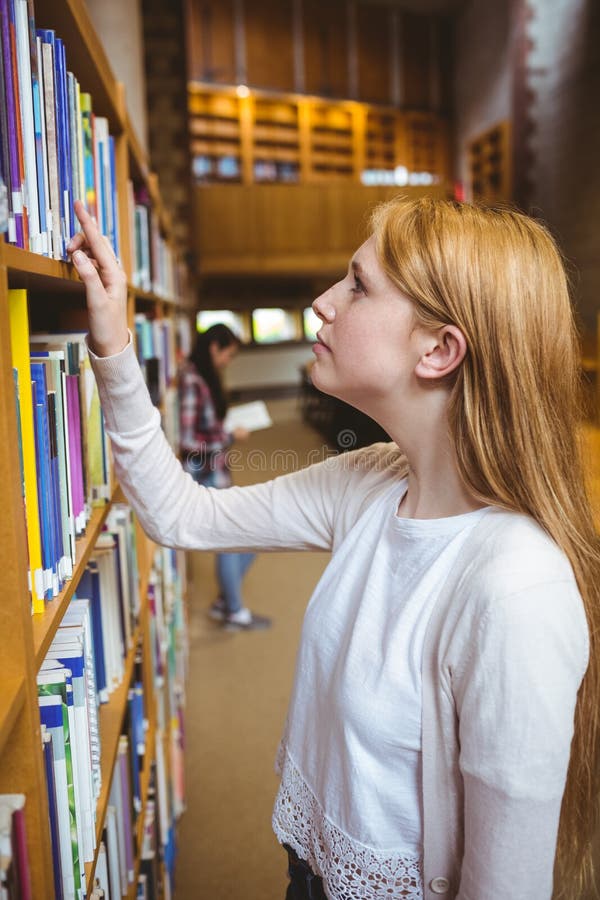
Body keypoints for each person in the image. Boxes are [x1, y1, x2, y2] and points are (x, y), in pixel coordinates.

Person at [70, 195, 600, 900]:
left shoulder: (516, 589)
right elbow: (182, 515)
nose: (323, 302)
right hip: (308, 872)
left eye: (357, 285)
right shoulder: (369, 480)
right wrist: (111, 345)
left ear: (438, 350)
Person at [179, 322, 271, 631]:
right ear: (214, 348)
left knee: (251, 535)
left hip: (217, 473)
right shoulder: (192, 380)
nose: (227, 363)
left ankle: (225, 604)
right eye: (227, 355)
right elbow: (188, 442)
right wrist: (229, 436)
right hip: (205, 478)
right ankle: (234, 611)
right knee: (234, 539)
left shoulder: (203, 377)